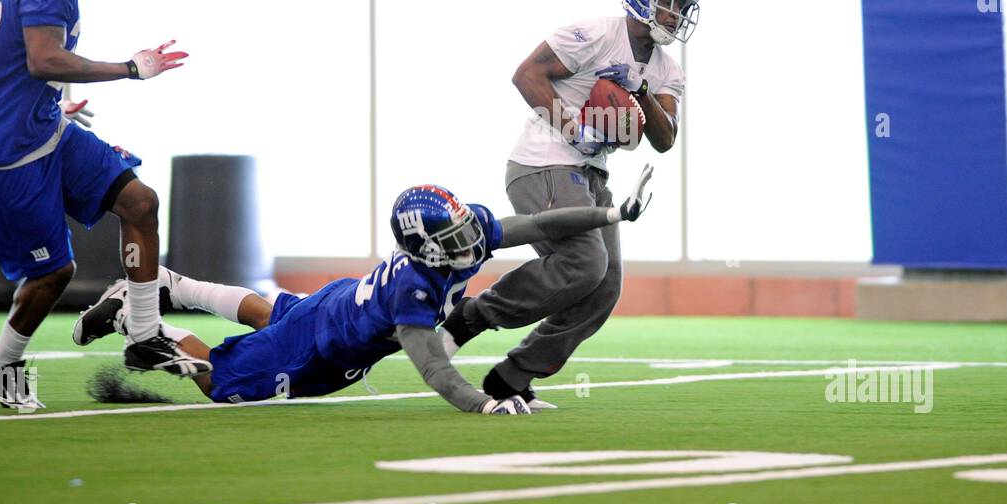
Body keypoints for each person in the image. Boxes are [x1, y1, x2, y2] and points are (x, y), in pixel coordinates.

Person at [78, 167, 653, 413]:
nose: (468, 239)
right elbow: (432, 368)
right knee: (222, 383)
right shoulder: (415, 291)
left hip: (339, 308)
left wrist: (610, 214)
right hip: (326, 345)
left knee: (272, 314)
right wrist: (483, 404)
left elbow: (539, 226)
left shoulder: (462, 234)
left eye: (462, 227)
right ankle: (139, 317)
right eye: (450, 235)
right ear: (422, 247)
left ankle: (171, 283)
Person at [0, 0, 207, 410]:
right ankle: (1, 361)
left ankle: (146, 333)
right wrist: (129, 69)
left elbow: (23, 67)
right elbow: (44, 60)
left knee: (140, 203)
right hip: (4, 150)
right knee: (52, 273)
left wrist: (47, 105)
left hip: (37, 127)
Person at [441, 0, 697, 408]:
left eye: (680, 6)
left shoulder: (666, 69)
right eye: (668, 2)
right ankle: (470, 318)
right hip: (545, 163)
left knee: (605, 285)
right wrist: (572, 128)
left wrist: (639, 92)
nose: (674, 15)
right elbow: (527, 75)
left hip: (590, 173)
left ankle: (513, 377)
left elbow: (664, 138)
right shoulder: (595, 35)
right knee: (584, 263)